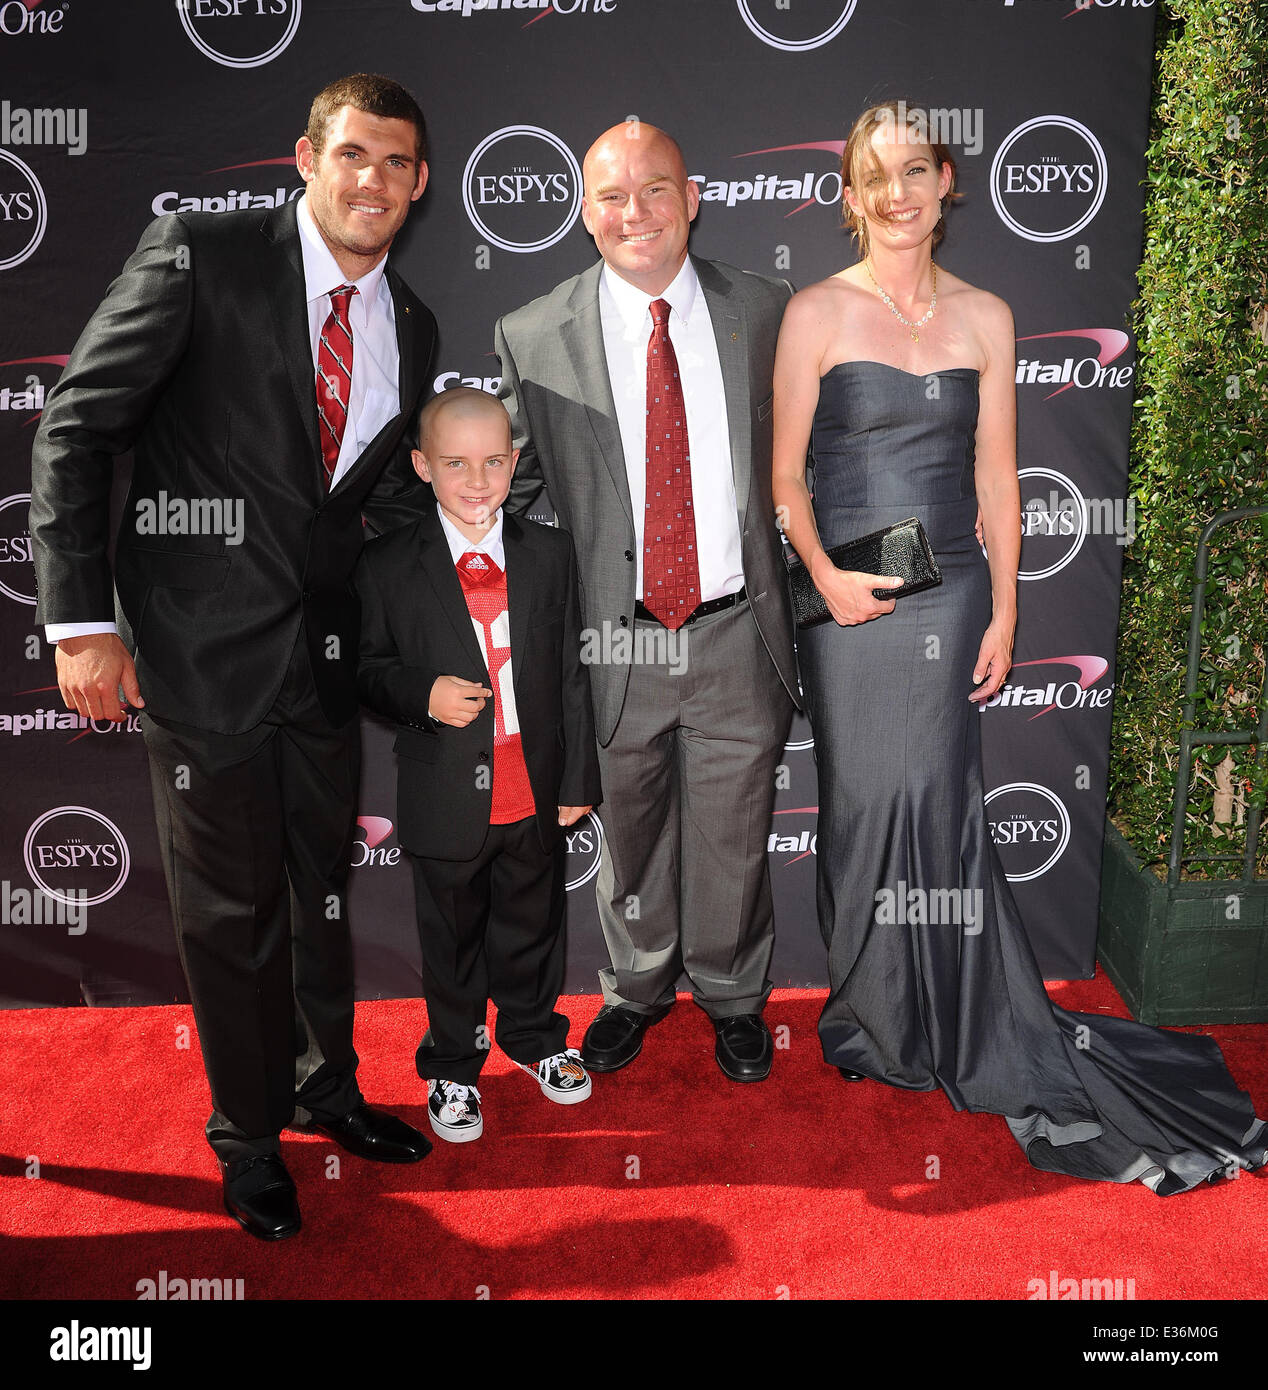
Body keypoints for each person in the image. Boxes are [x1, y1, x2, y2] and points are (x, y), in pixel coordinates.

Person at [771, 99, 1267, 1192]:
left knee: (940, 804)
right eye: (872, 176)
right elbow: (783, 480)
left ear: (946, 180)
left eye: (914, 169)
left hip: (948, 597)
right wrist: (821, 574)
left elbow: (997, 477)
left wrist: (1001, 610)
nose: (894, 193)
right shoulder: (813, 312)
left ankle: (953, 1018)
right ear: (848, 196)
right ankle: (872, 1020)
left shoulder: (986, 317)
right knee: (860, 809)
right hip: (847, 607)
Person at [29, 74, 440, 1238]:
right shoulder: (200, 254)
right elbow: (75, 428)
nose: (373, 180)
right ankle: (247, 1136)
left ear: (417, 185)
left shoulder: (408, 322)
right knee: (228, 910)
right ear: (305, 157)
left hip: (317, 665)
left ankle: (324, 1086)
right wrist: (81, 621)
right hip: (195, 659)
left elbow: (364, 507)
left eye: (398, 163)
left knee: (314, 893)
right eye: (354, 153)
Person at [494, 122, 799, 1083]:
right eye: (614, 196)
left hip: (735, 627)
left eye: (656, 190)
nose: (637, 214)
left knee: (736, 829)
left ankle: (735, 997)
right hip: (610, 638)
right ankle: (636, 990)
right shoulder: (534, 333)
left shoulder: (768, 308)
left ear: (693, 197)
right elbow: (511, 489)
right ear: (585, 213)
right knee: (624, 830)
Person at [356, 387, 602, 1142]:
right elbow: (362, 667)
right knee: (453, 939)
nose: (477, 479)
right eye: (457, 463)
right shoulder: (387, 563)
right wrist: (420, 691)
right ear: (423, 465)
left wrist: (575, 780)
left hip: (533, 784)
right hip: (444, 793)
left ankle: (533, 1038)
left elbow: (571, 673)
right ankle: (454, 1065)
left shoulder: (551, 553)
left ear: (515, 462)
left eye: (494, 461)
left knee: (532, 926)